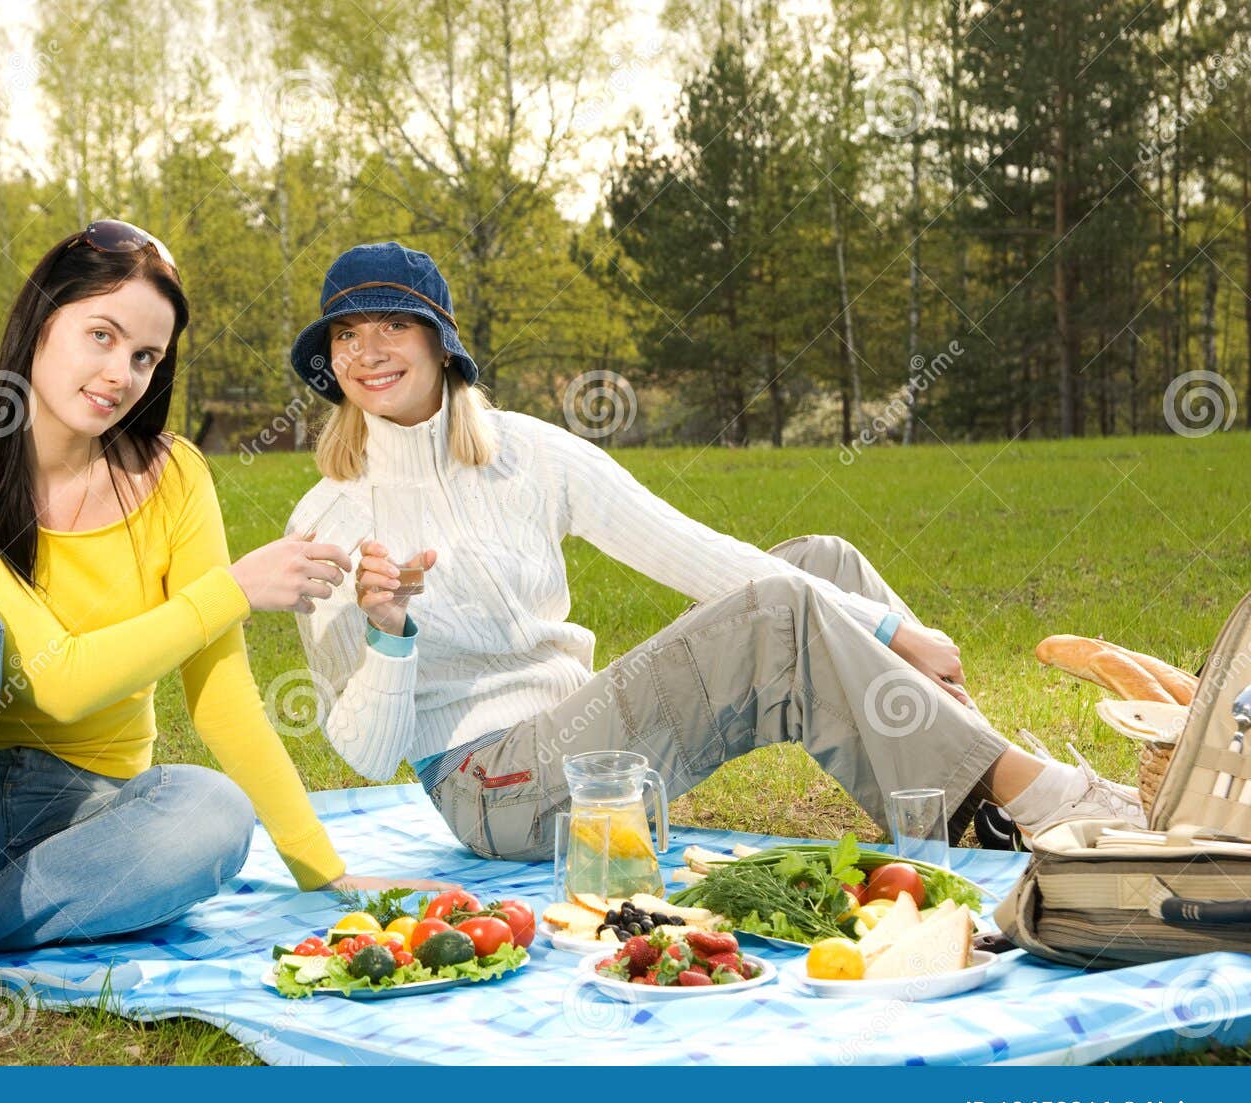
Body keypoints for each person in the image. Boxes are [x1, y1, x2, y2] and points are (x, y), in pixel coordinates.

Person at [0, 222, 418, 1059]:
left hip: (88, 815)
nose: (120, 374)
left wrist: (322, 868)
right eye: (102, 335)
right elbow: (57, 682)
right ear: (40, 322)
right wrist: (229, 590)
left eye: (146, 357)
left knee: (214, 813)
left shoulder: (175, 477)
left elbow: (221, 692)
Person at [286, 241, 1144, 865]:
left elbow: (694, 553)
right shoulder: (327, 517)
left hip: (584, 745)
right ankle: (1040, 796)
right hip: (496, 791)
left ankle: (984, 804)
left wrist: (880, 624)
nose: (367, 352)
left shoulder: (528, 451)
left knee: (821, 561)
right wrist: (392, 633)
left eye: (392, 325)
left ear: (441, 341)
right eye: (346, 335)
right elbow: (363, 752)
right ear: (329, 360)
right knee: (782, 609)